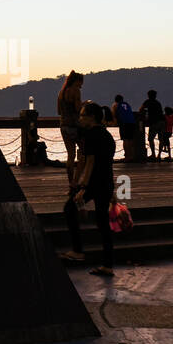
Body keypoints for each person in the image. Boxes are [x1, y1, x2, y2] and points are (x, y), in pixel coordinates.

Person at [61, 101, 117, 276]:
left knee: (70, 208)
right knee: (103, 224)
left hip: (94, 183)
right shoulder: (107, 136)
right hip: (106, 182)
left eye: (82, 115)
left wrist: (82, 188)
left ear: (91, 117)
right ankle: (107, 264)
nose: (80, 118)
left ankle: (78, 250)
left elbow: (90, 163)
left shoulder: (91, 135)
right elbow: (107, 164)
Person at [58, 71, 84, 178]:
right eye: (81, 82)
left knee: (70, 156)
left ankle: (70, 181)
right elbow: (78, 109)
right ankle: (77, 180)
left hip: (63, 125)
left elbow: (59, 111)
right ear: (77, 81)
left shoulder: (61, 92)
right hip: (75, 125)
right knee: (83, 154)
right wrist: (85, 104)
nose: (82, 85)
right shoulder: (76, 91)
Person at [113, 94, 140, 162]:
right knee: (130, 139)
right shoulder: (127, 104)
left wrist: (115, 122)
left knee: (125, 140)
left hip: (124, 123)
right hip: (132, 123)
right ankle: (132, 156)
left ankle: (127, 156)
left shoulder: (116, 105)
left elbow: (114, 114)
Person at [139, 89, 164, 160]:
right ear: (155, 96)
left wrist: (145, 113)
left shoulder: (147, 102)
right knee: (161, 139)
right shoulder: (158, 103)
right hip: (162, 122)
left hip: (154, 122)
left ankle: (153, 154)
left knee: (150, 139)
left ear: (148, 95)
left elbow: (140, 109)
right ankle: (159, 155)